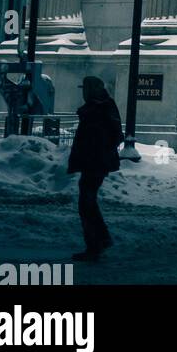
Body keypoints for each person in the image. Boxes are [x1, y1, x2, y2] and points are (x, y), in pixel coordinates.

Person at [67, 75, 123, 261]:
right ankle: (100, 239)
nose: (83, 92)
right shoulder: (100, 107)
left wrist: (99, 151)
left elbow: (114, 135)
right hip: (94, 162)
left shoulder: (99, 108)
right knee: (87, 203)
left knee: (86, 204)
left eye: (85, 88)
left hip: (95, 162)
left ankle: (95, 244)